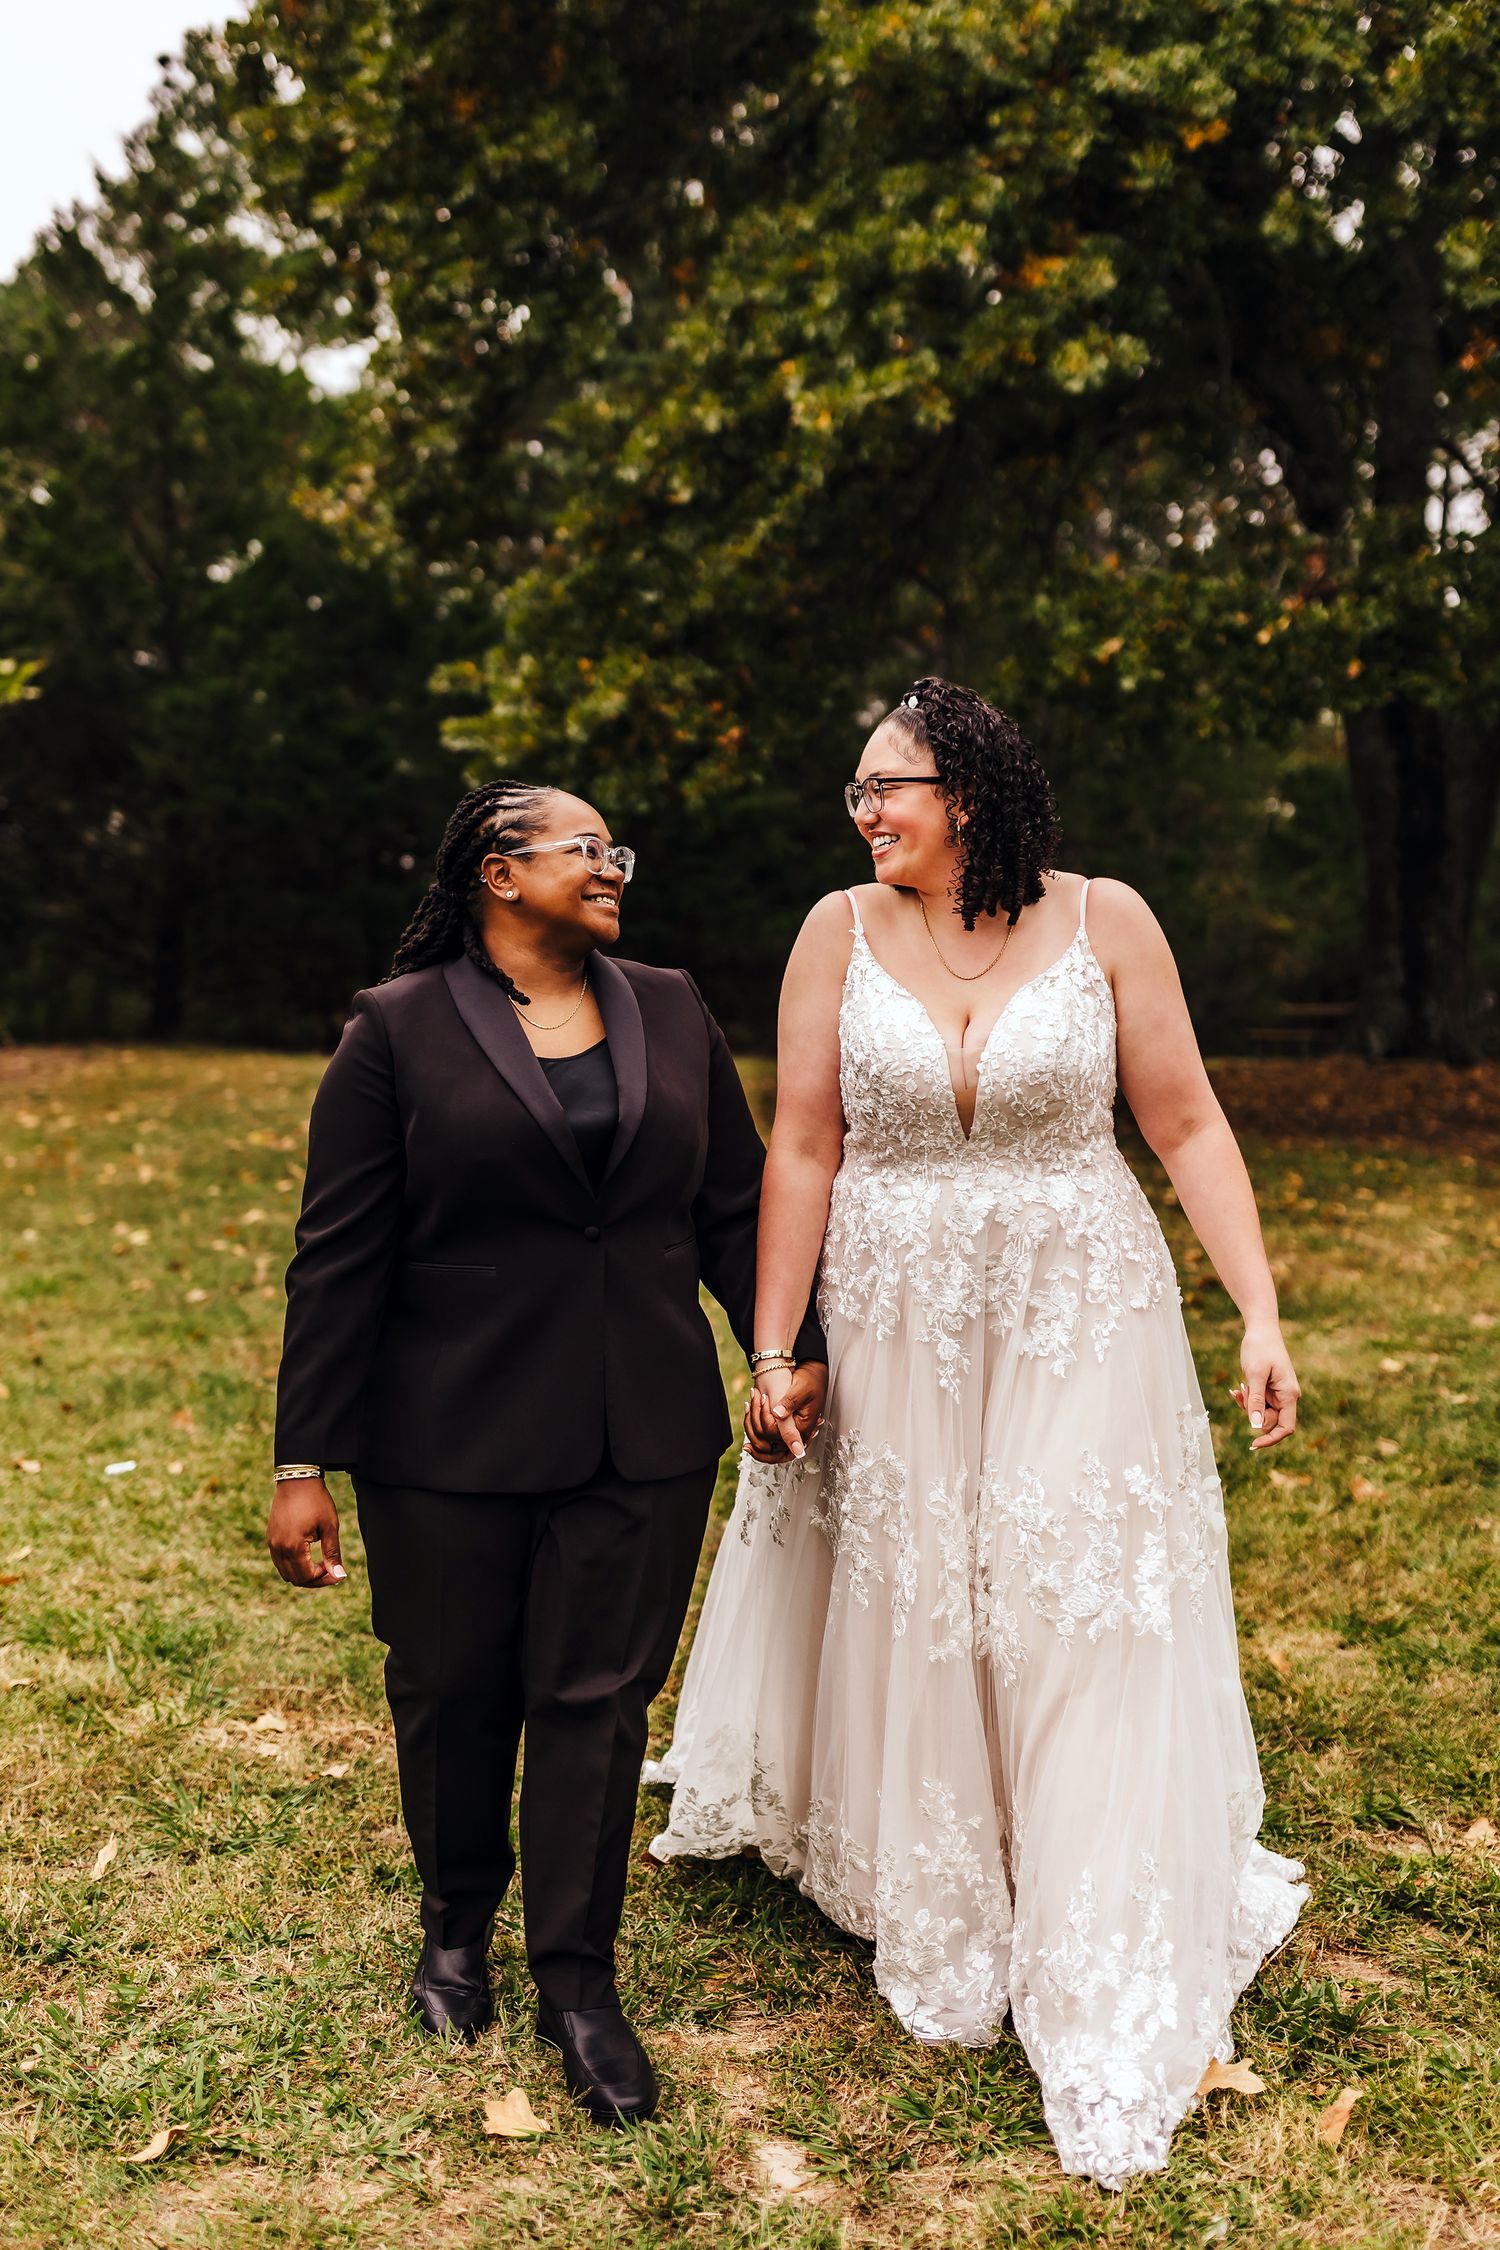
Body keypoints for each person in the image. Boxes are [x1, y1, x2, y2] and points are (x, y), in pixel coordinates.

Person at [646, 678, 1307, 2189]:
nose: (865, 812)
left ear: (977, 786)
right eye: (856, 793)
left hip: (1079, 1300)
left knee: (1068, 1579)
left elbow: (1188, 1123)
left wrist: (1259, 1313)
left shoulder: (1107, 921)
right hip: (893, 1304)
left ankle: (1089, 1879)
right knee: (922, 1582)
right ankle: (943, 1850)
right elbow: (803, 1143)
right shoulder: (836, 929)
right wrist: (773, 1341)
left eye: (890, 785)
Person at [267, 779, 825, 2124]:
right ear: (496, 872)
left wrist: (787, 1345)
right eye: (585, 846)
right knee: (453, 1688)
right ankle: (455, 1925)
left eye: (616, 846)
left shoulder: (671, 1004)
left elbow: (738, 1206)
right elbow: (338, 1257)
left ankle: (580, 1978)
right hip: (445, 1432)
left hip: (641, 1429)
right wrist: (303, 1460)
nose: (612, 864)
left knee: (595, 1700)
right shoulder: (395, 1031)